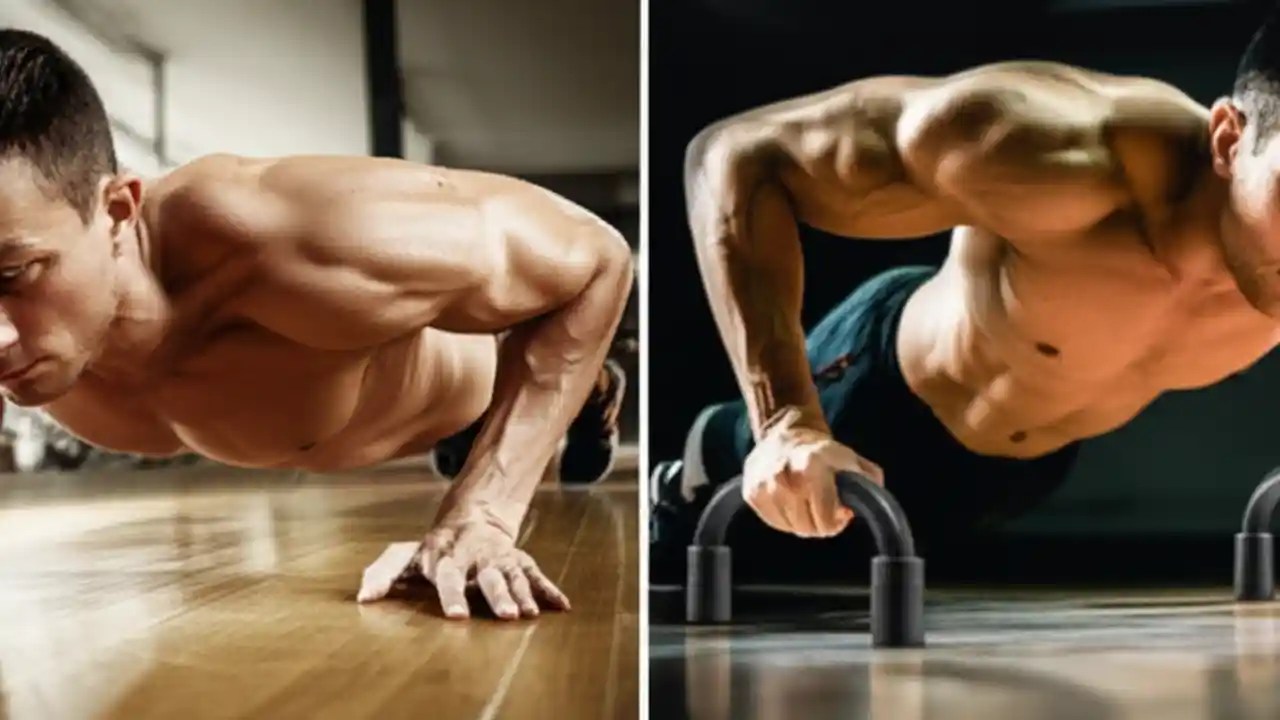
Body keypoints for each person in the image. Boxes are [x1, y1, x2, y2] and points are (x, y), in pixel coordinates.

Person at [0, 29, 633, 620]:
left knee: (521, 357)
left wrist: (483, 514)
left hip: (469, 375)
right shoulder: (39, 312)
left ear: (117, 209)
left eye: (13, 275)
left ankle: (590, 387)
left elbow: (596, 260)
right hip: (354, 420)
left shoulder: (303, 237)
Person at [650, 10, 1280, 576]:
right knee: (706, 572)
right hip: (874, 400)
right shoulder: (1049, 148)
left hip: (1019, 478)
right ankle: (709, 456)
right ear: (1229, 140)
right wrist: (785, 421)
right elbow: (734, 154)